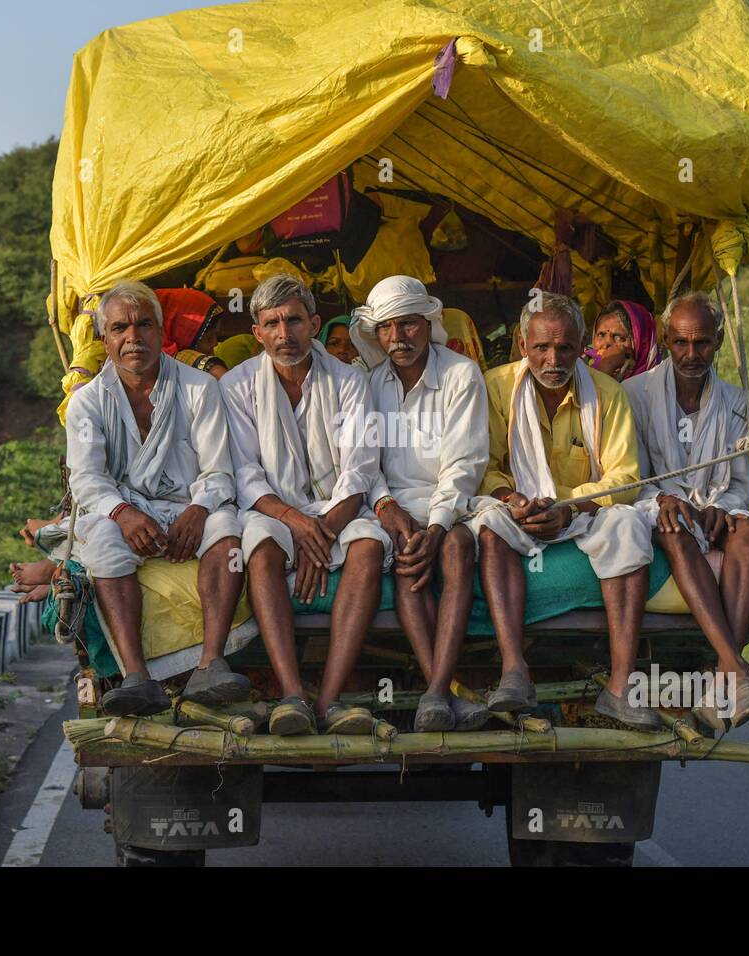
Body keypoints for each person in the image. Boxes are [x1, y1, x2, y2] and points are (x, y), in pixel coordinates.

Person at [465, 293, 660, 730]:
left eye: (565, 348)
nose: (553, 359)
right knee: (488, 523)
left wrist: (568, 509)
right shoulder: (493, 387)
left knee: (628, 523)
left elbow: (625, 478)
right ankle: (515, 671)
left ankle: (621, 686)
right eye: (541, 348)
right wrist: (513, 500)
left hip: (580, 512)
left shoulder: (608, 393)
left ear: (582, 345)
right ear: (522, 344)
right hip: (517, 510)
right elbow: (481, 469)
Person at [62, 279, 249, 716]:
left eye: (144, 325)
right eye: (120, 328)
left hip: (191, 504)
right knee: (103, 545)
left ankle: (211, 664)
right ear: (104, 338)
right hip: (123, 510)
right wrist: (124, 514)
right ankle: (136, 676)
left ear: (160, 331)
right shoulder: (87, 403)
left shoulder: (200, 387)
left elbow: (220, 469)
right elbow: (86, 478)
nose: (133, 337)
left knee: (228, 532)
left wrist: (200, 510)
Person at [220, 275, 392, 736]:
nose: (284, 334)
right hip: (274, 511)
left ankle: (329, 700)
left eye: (293, 320)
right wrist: (297, 524)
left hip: (339, 510)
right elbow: (245, 473)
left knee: (370, 549)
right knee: (260, 550)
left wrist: (323, 532)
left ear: (313, 323)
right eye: (272, 323)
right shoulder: (237, 386)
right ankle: (292, 694)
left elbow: (360, 468)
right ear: (257, 332)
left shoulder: (350, 380)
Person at [623, 291, 749, 730]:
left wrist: (721, 509)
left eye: (702, 343)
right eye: (681, 343)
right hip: (660, 508)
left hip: (713, 506)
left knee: (745, 532)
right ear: (666, 339)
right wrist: (667, 501)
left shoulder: (735, 401)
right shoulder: (637, 392)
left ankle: (725, 671)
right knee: (675, 531)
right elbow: (632, 477)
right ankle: (733, 667)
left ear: (719, 341)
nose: (692, 354)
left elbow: (740, 484)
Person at [349, 276, 491, 732]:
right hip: (391, 506)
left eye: (408, 325)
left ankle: (434, 691)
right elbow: (363, 462)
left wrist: (437, 524)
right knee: (406, 554)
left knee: (453, 549)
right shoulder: (368, 384)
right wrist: (388, 506)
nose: (397, 338)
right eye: (387, 329)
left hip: (451, 502)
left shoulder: (460, 375)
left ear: (428, 323)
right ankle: (441, 691)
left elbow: (464, 462)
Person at [583, 299, 660, 381]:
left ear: (642, 345)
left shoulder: (658, 384)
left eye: (619, 337)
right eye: (601, 335)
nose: (606, 344)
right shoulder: (580, 373)